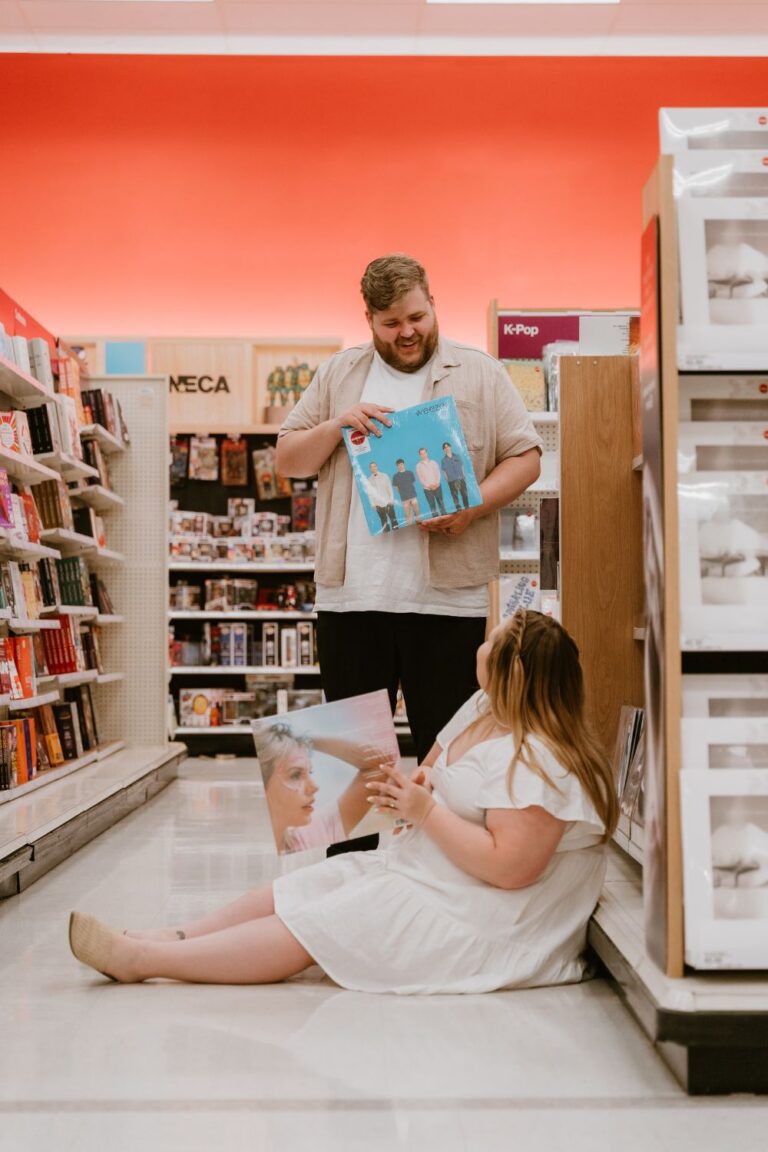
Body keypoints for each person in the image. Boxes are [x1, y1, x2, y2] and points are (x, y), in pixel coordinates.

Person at [68, 610, 618, 991]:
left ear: (513, 674)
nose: (480, 647)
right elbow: (434, 762)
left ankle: (149, 961)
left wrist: (425, 812)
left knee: (323, 921)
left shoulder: (541, 761)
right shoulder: (484, 707)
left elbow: (511, 869)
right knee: (306, 886)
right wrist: (410, 788)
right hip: (435, 875)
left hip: (482, 917)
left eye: (490, 643)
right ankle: (175, 935)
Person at [272, 253, 543, 767]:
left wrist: (471, 506)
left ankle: (438, 850)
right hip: (349, 600)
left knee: (449, 763)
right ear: (369, 320)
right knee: (349, 766)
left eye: (417, 318)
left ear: (433, 304)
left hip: (446, 603)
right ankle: (354, 853)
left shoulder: (480, 373)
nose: (407, 333)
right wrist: (337, 427)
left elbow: (526, 457)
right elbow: (288, 458)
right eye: (391, 323)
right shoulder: (338, 374)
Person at [256, 721, 395, 853]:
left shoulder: (308, 833)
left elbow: (380, 764)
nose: (314, 787)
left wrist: (306, 739)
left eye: (309, 773)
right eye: (295, 775)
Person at [364, 461, 398, 532]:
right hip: (378, 504)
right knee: (384, 521)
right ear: (370, 469)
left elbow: (389, 488)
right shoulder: (369, 480)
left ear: (377, 467)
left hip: (388, 501)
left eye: (374, 466)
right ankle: (388, 536)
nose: (373, 468)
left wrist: (391, 499)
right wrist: (373, 504)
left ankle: (397, 532)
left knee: (393, 519)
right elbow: (370, 494)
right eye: (371, 467)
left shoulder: (384, 475)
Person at [415, 446, 447, 517]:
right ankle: (436, 520)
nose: (423, 455)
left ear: (427, 453)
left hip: (437, 486)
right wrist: (428, 486)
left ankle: (445, 517)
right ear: (420, 455)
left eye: (424, 453)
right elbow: (420, 478)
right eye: (421, 454)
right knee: (432, 506)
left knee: (441, 504)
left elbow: (438, 473)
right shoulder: (418, 466)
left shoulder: (433, 462)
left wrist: (437, 483)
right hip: (427, 489)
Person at [441, 441, 469, 511]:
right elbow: (444, 471)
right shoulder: (443, 460)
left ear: (450, 447)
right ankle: (458, 509)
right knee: (455, 496)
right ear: (444, 450)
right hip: (451, 480)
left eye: (448, 446)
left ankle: (467, 507)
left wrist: (463, 475)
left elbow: (461, 466)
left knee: (464, 494)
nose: (447, 448)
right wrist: (447, 479)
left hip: (461, 478)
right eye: (445, 447)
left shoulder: (457, 456)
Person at [391, 458, 420, 525]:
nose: (400, 466)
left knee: (417, 513)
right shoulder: (395, 476)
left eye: (401, 464)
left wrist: (409, 490)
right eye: (398, 465)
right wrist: (402, 493)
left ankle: (420, 525)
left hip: (413, 496)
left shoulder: (410, 473)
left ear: (404, 464)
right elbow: (396, 487)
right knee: (407, 515)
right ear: (397, 466)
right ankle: (409, 528)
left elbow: (413, 483)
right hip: (404, 499)